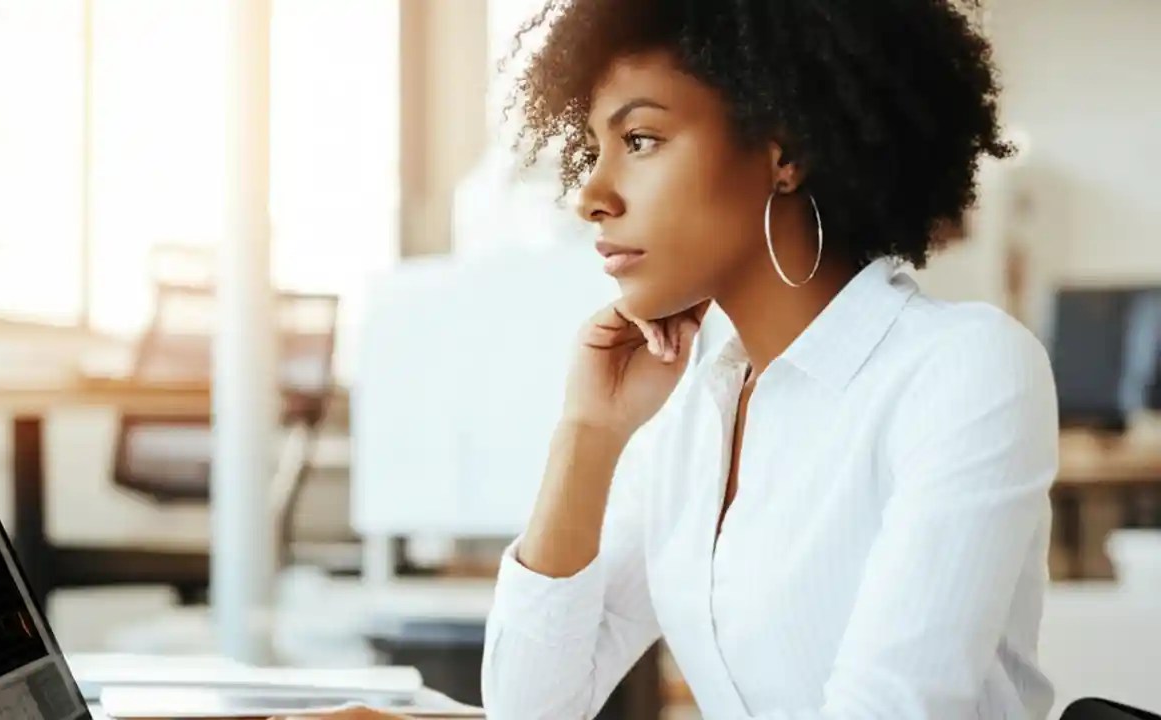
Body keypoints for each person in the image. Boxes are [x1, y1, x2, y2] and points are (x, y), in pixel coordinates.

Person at [332, 0, 1057, 718]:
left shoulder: (963, 371)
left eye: (641, 139)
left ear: (786, 152)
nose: (591, 195)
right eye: (596, 148)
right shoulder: (692, 420)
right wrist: (589, 432)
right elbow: (532, 708)